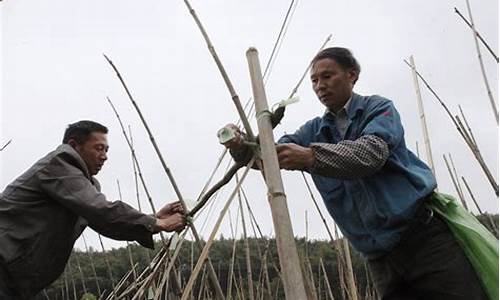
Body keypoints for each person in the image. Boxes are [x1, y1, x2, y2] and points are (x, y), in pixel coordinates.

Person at [222, 47, 487, 299]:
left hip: (424, 240)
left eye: (327, 76)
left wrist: (312, 157)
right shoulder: (313, 131)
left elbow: (371, 153)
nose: (320, 86)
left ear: (352, 75)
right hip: (379, 258)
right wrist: (241, 146)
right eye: (314, 80)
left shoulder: (378, 109)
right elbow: (267, 157)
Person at [0, 120, 187, 299]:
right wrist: (158, 223)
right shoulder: (58, 164)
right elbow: (101, 210)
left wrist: (153, 219)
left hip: (17, 279)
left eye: (106, 150)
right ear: (74, 145)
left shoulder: (84, 185)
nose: (105, 156)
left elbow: (106, 223)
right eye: (98, 148)